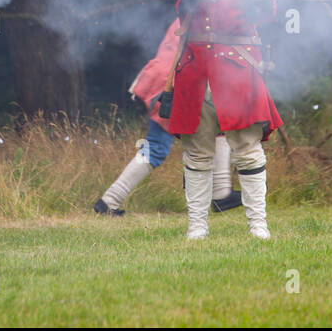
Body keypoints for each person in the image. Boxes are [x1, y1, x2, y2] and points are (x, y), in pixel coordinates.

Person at [145, 0, 282, 240]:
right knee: (197, 152)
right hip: (194, 67)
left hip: (236, 63)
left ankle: (258, 225)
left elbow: (269, 9)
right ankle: (197, 226)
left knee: (248, 149)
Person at [92, 18, 242, 216]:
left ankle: (221, 193)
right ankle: (109, 201)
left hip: (170, 77)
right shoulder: (205, 14)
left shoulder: (190, 11)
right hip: (174, 81)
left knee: (214, 128)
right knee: (157, 146)